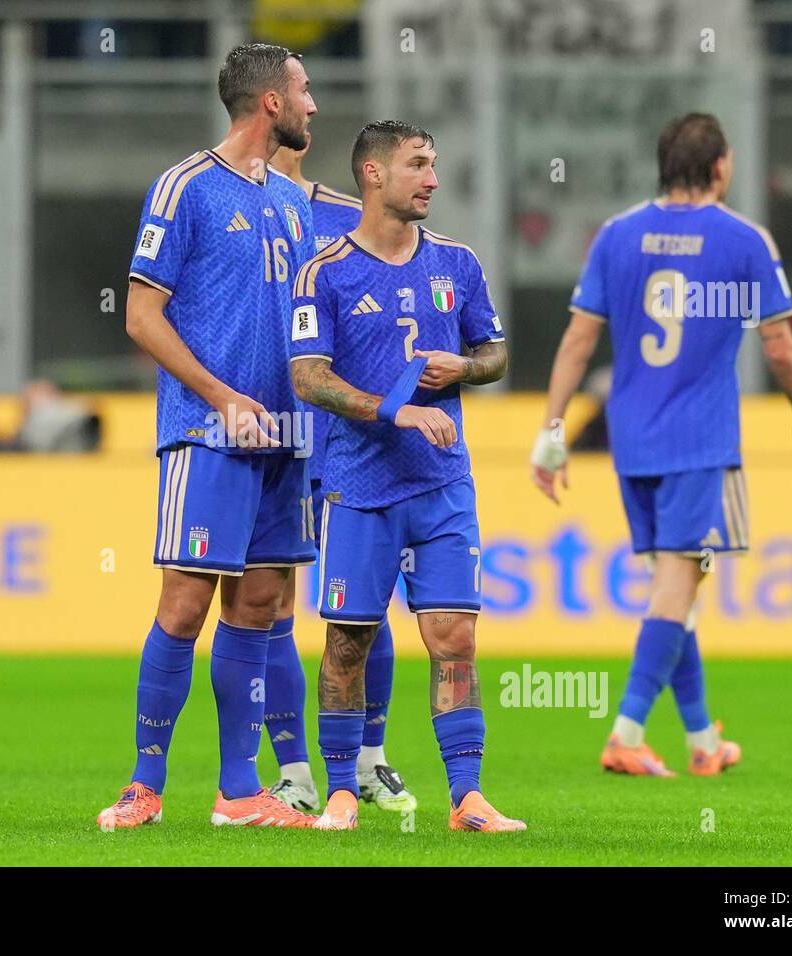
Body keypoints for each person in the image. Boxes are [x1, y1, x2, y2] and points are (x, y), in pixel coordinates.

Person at [530, 112, 792, 776]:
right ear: (720, 167)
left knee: (677, 583)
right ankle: (626, 733)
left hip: (632, 439)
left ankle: (701, 743)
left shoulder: (617, 235)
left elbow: (578, 343)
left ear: (664, 166)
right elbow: (779, 346)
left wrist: (552, 434)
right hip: (699, 440)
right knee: (677, 583)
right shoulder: (744, 239)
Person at [96, 43, 320, 830]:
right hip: (207, 433)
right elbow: (141, 314)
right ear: (268, 103)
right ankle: (142, 785)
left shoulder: (292, 204)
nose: (313, 107)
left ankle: (237, 791)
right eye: (303, 91)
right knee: (185, 605)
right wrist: (222, 397)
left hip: (286, 440)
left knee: (257, 608)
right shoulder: (184, 186)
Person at [289, 121, 525, 833]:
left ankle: (467, 797)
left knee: (454, 637)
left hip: (442, 484)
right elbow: (307, 378)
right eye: (417, 165)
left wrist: (467, 368)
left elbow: (495, 354)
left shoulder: (457, 263)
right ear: (372, 174)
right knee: (348, 641)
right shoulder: (324, 271)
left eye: (434, 164)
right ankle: (339, 792)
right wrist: (396, 413)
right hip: (358, 488)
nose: (431, 179)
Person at [263, 137, 415, 813]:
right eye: (300, 93)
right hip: (263, 431)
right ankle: (294, 773)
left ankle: (367, 758)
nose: (312, 108)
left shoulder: (346, 218)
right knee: (265, 605)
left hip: (342, 439)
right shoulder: (219, 202)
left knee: (364, 605)